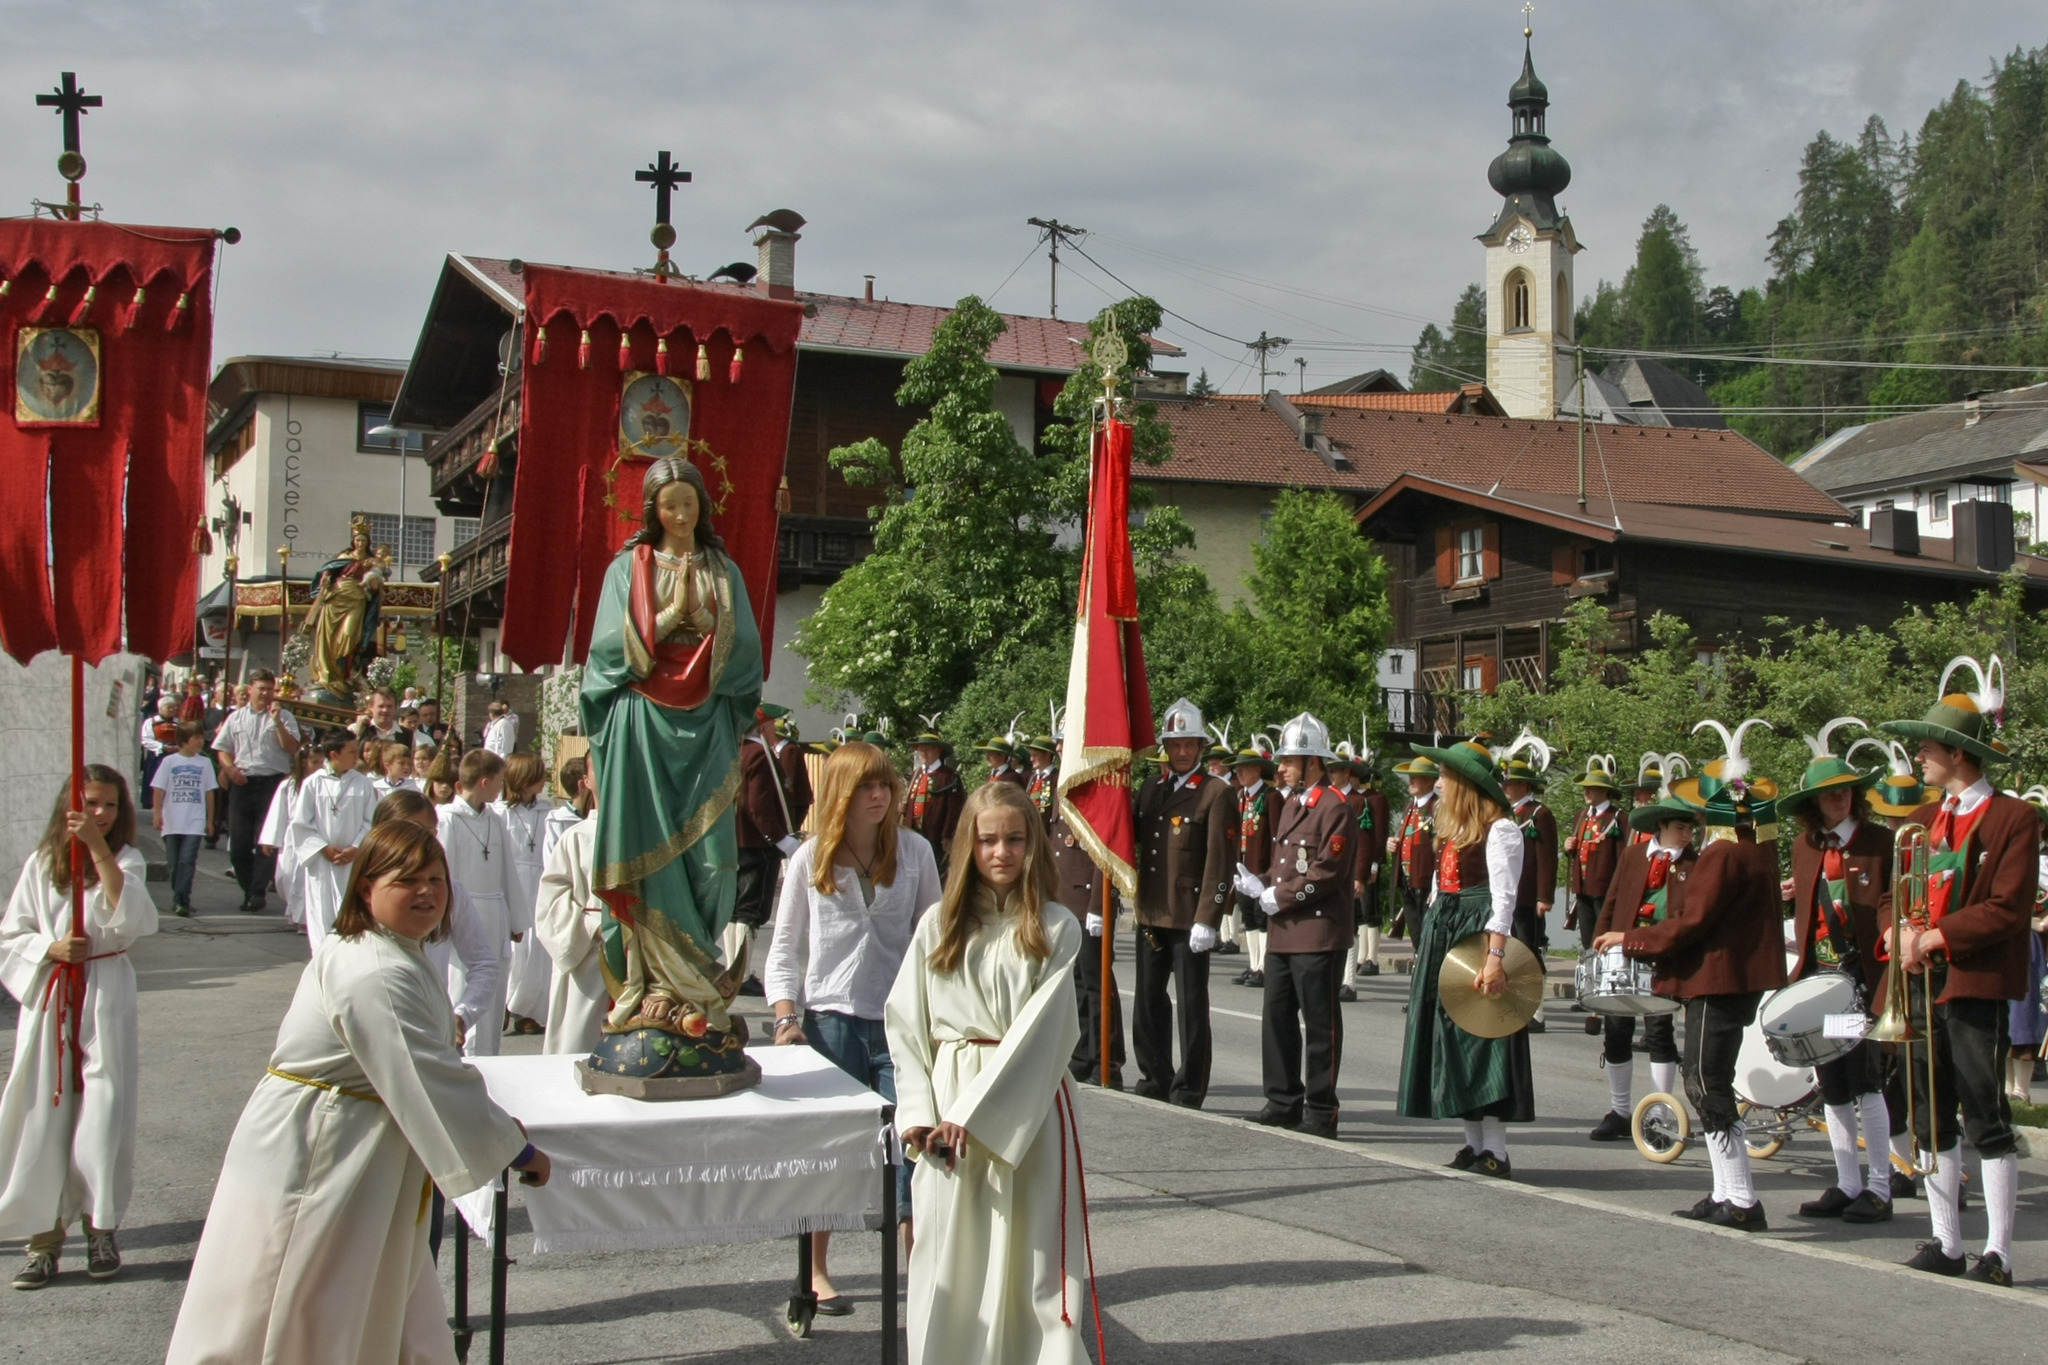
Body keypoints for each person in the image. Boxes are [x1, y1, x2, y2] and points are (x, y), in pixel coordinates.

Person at [164, 819, 549, 1362]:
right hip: (322, 1150)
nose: (427, 893)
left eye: (437, 880)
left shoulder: (391, 948)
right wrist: (515, 1147)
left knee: (371, 1304)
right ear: (366, 887)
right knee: (302, 1304)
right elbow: (431, 1078)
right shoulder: (375, 968)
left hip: (361, 1145)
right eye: (408, 880)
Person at [885, 780, 1093, 1365]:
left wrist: (974, 1115)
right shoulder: (937, 927)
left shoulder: (1056, 927)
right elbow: (906, 1024)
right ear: (967, 848)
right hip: (945, 1107)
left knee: (1032, 1253)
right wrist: (920, 1115)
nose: (1001, 852)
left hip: (1024, 1109)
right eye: (987, 840)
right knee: (951, 1250)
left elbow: (1044, 1033)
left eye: (1014, 839)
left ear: (1034, 846)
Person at [579, 457, 763, 1058]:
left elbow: (745, 658)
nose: (680, 516)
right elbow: (608, 649)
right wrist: (667, 619)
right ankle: (655, 986)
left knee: (716, 861)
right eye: (669, 505)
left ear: (702, 507)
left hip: (705, 714)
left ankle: (697, 974)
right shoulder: (624, 569)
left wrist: (706, 620)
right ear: (652, 511)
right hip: (642, 721)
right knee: (646, 851)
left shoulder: (723, 569)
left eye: (689, 504)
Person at [1878, 661, 2040, 1284]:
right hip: (1918, 983)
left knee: (1984, 1111)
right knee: (1930, 1112)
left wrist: (1936, 935)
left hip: (1972, 979)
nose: (1919, 757)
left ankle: (1998, 1249)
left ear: (1956, 753)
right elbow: (1898, 894)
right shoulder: (1920, 821)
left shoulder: (2013, 819)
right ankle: (1945, 1240)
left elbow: (2008, 906)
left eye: (1925, 749)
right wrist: (1897, 930)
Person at [766, 742, 941, 1312]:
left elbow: (934, 942)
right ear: (840, 792)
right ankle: (816, 1273)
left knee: (912, 1146)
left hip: (897, 1024)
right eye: (867, 786)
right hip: (829, 1022)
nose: (880, 796)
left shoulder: (914, 852)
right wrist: (786, 1017)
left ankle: (922, 1275)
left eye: (886, 785)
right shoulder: (811, 858)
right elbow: (784, 948)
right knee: (832, 1154)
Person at [1597, 723, 1787, 1231]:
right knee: (1708, 1082)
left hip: (1718, 979)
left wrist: (1630, 940)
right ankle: (1726, 1190)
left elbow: (1693, 922)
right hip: (1729, 979)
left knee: (1706, 1083)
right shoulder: (1755, 849)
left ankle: (1742, 1198)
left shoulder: (1724, 853)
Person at [0, 768, 157, 1289]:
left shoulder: (125, 858)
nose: (101, 814)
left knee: (103, 1115)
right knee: (46, 1112)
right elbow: (12, 932)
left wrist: (96, 848)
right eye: (91, 803)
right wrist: (49, 948)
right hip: (54, 996)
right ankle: (43, 1242)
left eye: (110, 805)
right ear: (70, 804)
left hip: (106, 992)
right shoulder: (44, 863)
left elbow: (130, 911)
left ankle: (100, 1227)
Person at [1396, 739, 1529, 1179]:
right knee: (1450, 1035)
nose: (1440, 783)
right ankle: (1472, 1143)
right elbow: (1438, 886)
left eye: (1447, 777)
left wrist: (1495, 956)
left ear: (1465, 784)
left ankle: (1497, 1149)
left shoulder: (1502, 829)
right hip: (1446, 929)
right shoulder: (1452, 830)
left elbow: (1504, 898)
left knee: (1483, 1037)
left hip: (1478, 932)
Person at [1779, 734, 1895, 1223]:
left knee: (1866, 1080)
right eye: (1830, 793)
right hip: (1819, 979)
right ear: (1813, 804)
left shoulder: (1879, 842)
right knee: (1834, 1082)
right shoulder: (1805, 847)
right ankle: (1847, 1182)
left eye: (1847, 791)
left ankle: (1881, 1187)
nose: (1840, 798)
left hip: (1861, 976)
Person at [1244, 714, 1353, 1140]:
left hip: (1317, 930)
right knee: (1277, 1017)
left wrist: (1282, 896)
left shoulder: (1335, 806)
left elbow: (1328, 870)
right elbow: (1284, 863)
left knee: (1320, 1023)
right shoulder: (1291, 801)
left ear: (1312, 762)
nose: (1281, 767)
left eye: (1289, 760)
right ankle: (1283, 1099)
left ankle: (1322, 1107)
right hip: (1284, 930)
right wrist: (1263, 885)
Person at [1131, 698, 1237, 1109]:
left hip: (1189, 913)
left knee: (1192, 1006)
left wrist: (1209, 917)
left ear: (1200, 747)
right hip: (1152, 908)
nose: (1181, 752)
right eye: (1175, 744)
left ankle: (1190, 1085)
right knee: (1147, 997)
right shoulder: (1152, 787)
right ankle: (1155, 1073)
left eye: (1189, 744)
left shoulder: (1215, 791)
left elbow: (1220, 858)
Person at [1587, 795, 1698, 1140]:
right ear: (1661, 826)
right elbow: (1613, 900)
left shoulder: (1695, 863)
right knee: (1616, 1029)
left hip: (1665, 953)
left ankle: (1660, 1114)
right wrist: (1598, 943)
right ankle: (1621, 1111)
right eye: (1680, 827)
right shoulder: (1634, 855)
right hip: (1623, 950)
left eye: (1691, 828)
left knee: (1660, 1032)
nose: (1687, 835)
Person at [439, 748, 523, 1056]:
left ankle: (489, 1054)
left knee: (494, 985)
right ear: (485, 782)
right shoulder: (447, 820)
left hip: (495, 911)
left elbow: (507, 871)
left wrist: (515, 920)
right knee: (464, 982)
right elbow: (444, 872)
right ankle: (464, 1053)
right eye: (500, 781)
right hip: (465, 913)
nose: (503, 787)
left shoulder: (495, 819)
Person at [213, 669, 305, 913]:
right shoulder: (235, 718)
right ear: (250, 690)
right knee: (239, 844)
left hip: (271, 783)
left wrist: (277, 723)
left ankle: (257, 891)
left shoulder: (283, 717)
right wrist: (230, 769)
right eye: (261, 688)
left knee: (267, 841)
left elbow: (292, 747)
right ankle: (248, 887)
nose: (265, 693)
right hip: (243, 782)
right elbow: (222, 748)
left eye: (269, 689)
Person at [536, 758, 607, 1056]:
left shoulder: (655, 838)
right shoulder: (575, 837)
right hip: (587, 956)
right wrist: (594, 925)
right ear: (586, 780)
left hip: (642, 959)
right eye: (600, 766)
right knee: (578, 1047)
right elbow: (550, 904)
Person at [733, 704, 804, 997]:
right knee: (751, 910)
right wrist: (778, 839)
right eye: (771, 723)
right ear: (761, 726)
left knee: (737, 909)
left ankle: (735, 969)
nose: (773, 728)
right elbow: (758, 804)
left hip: (737, 840)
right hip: (756, 843)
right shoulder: (759, 754)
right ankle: (741, 972)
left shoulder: (737, 752)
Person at [292, 732, 381, 959]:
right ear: (334, 754)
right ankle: (322, 959)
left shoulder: (362, 783)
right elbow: (302, 822)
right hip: (322, 862)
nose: (356, 756)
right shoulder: (313, 783)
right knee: (321, 913)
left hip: (352, 861)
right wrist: (323, 847)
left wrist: (355, 847)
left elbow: (371, 821)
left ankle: (348, 960)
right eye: (351, 751)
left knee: (350, 910)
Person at [1499, 742, 1557, 1023]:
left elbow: (1547, 859)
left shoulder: (1539, 814)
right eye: (1506, 782)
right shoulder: (1505, 814)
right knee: (1509, 949)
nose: (1507, 787)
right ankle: (1515, 1003)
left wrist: (1544, 896)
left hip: (1528, 894)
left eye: (1513, 783)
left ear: (1526, 786)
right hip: (1508, 894)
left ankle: (1537, 1011)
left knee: (1530, 950)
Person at [496, 752, 552, 1035]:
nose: (544, 781)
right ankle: (505, 1004)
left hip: (539, 880)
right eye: (540, 775)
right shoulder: (501, 813)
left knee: (538, 951)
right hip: (514, 880)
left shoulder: (548, 810)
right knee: (516, 951)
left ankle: (530, 1011)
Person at [150, 722, 217, 918]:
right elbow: (159, 789)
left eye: (200, 737)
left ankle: (182, 900)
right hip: (172, 820)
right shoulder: (170, 762)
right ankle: (179, 894)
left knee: (187, 861)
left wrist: (210, 820)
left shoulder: (204, 763)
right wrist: (157, 814)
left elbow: (209, 793)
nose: (200, 741)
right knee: (174, 863)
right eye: (195, 737)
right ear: (183, 740)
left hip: (194, 822)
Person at [1229, 741, 1277, 991]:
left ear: (1258, 770)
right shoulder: (1241, 796)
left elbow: (1276, 835)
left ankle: (1263, 967)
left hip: (1262, 867)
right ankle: (1253, 964)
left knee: (1261, 917)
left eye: (1244, 768)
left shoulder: (1271, 797)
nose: (1239, 773)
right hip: (1243, 867)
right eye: (1237, 769)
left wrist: (1271, 872)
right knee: (1248, 916)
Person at [1565, 758, 1624, 954]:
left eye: (1592, 788)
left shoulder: (1618, 817)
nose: (1586, 792)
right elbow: (1579, 849)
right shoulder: (1582, 815)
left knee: (1604, 937)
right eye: (1586, 788)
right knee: (1587, 939)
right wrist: (1569, 847)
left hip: (1604, 888)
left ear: (1604, 791)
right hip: (1583, 888)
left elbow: (1623, 856)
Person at [260, 747, 319, 931]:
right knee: (284, 877)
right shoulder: (289, 785)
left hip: (311, 835)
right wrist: (270, 838)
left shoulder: (320, 783)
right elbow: (278, 811)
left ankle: (304, 919)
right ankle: (294, 910)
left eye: (321, 762)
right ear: (303, 762)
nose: (319, 766)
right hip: (290, 837)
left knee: (304, 878)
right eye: (315, 762)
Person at [1388, 755, 1439, 942]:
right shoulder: (1408, 807)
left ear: (1429, 780)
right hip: (1406, 879)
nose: (1411, 781)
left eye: (1415, 776)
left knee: (1427, 932)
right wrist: (1393, 843)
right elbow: (1404, 835)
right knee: (1415, 932)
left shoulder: (1438, 807)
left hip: (1425, 880)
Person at [904, 727, 965, 875]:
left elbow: (955, 808)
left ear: (938, 752)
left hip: (936, 836)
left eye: (927, 750)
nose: (923, 754)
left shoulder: (949, 776)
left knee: (935, 873)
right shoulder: (917, 774)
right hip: (914, 833)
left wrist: (948, 834)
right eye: (920, 750)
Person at [140, 694, 180, 810]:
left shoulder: (179, 723)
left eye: (174, 707)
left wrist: (178, 747)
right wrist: (162, 747)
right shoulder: (150, 722)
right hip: (157, 757)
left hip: (175, 756)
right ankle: (152, 804)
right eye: (169, 707)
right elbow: (145, 740)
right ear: (161, 709)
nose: (172, 710)